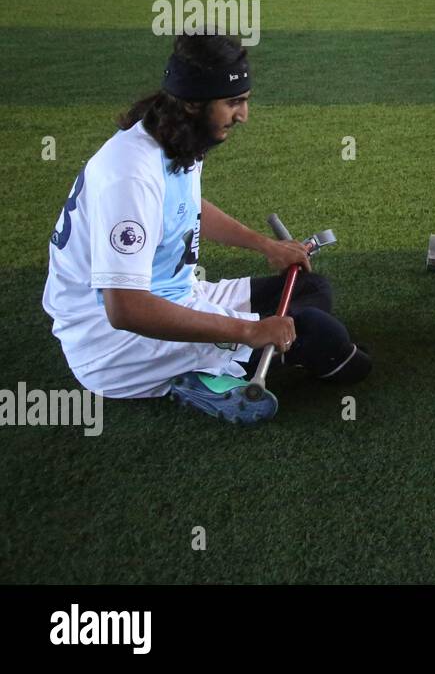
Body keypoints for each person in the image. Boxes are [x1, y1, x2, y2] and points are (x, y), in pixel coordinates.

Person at [43, 33, 372, 425]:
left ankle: (217, 366)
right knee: (324, 339)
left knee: (310, 290)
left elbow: (186, 205)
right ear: (193, 103)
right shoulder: (129, 177)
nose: (243, 115)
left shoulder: (174, 134)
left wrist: (266, 245)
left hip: (173, 292)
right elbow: (124, 308)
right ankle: (209, 379)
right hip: (113, 343)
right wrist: (247, 332)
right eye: (234, 102)